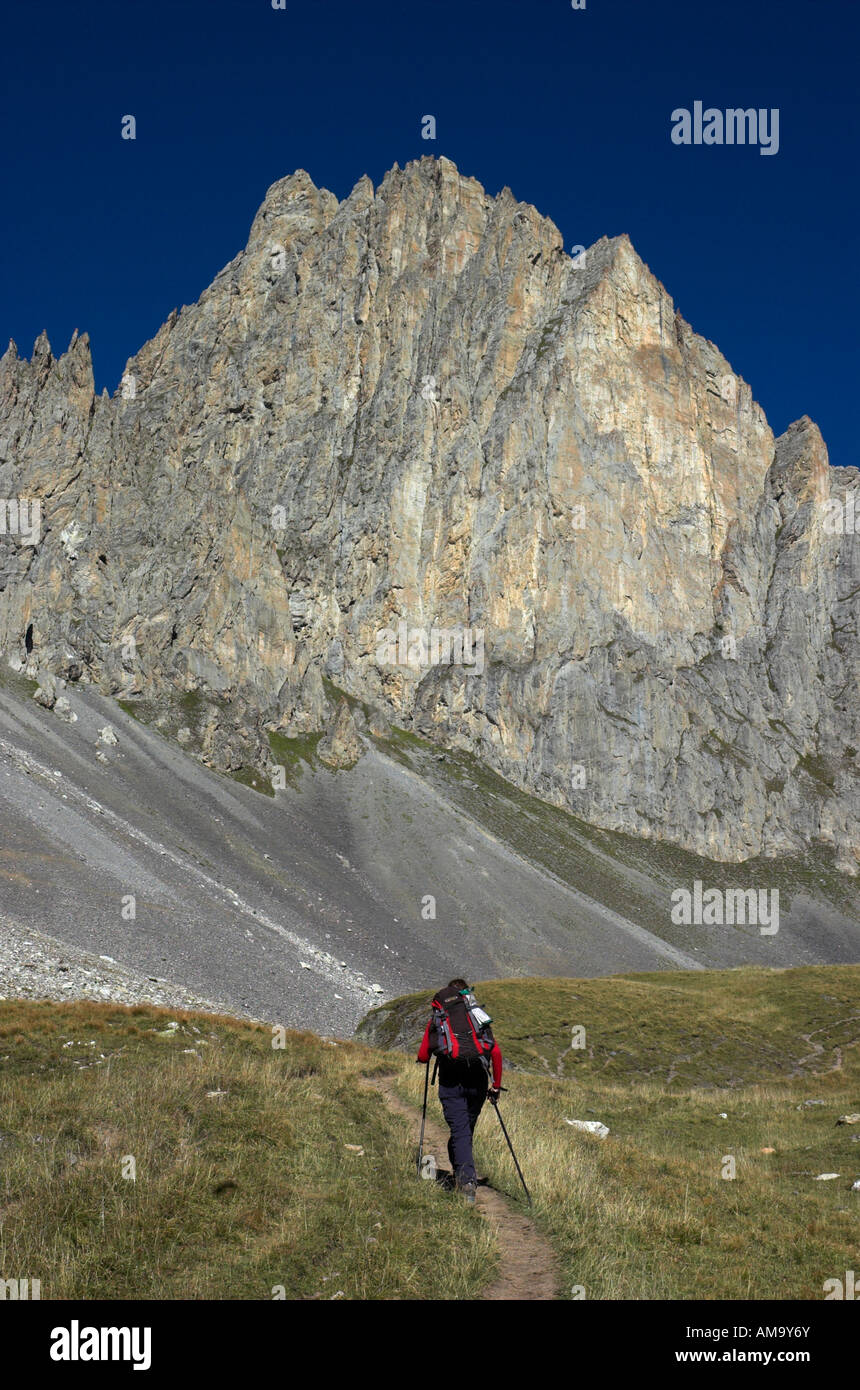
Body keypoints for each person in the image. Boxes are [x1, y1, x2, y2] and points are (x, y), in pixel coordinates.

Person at [416, 978, 503, 1204]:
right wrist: (496, 1085)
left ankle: (466, 1181)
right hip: (478, 1080)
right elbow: (495, 1052)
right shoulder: (475, 1015)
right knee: (465, 1131)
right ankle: (463, 1174)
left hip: (451, 1081)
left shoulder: (440, 1018)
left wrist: (425, 1056)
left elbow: (424, 1056)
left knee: (460, 1131)